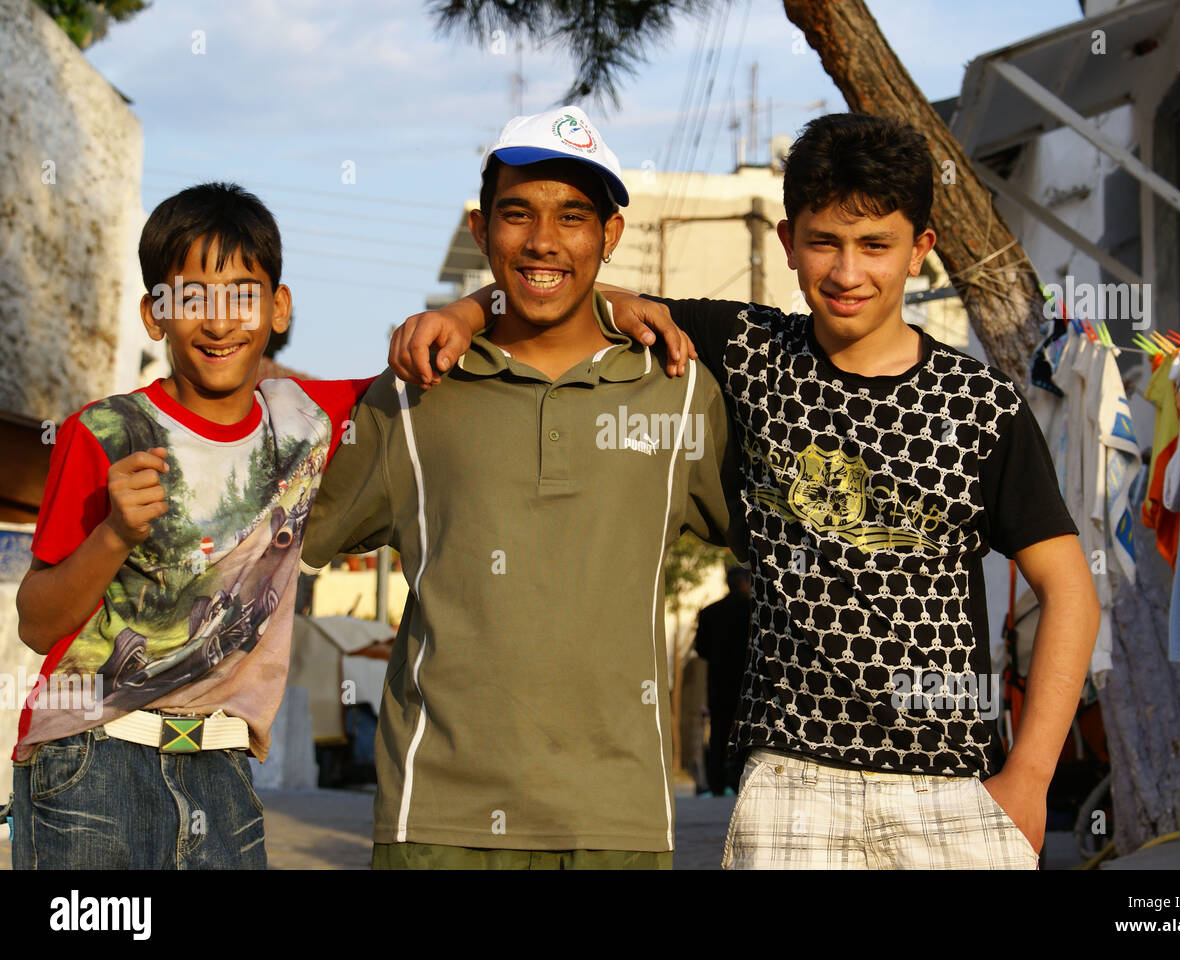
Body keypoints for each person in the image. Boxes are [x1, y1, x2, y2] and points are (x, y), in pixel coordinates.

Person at [389, 112, 1100, 870]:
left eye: (876, 246)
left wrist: (1028, 779)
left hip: (950, 787)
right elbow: (565, 294)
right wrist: (466, 311)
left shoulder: (981, 404)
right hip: (791, 783)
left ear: (921, 250)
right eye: (824, 242)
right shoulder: (748, 350)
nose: (848, 271)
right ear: (789, 243)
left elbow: (1070, 594)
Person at [300, 106, 738, 870]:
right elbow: (286, 544)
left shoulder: (678, 391)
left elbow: (794, 536)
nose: (543, 240)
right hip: (435, 816)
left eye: (573, 216)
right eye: (517, 214)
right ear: (480, 229)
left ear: (611, 236)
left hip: (620, 822)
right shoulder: (409, 394)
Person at [11, 183, 373, 869]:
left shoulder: (307, 419)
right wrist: (114, 533)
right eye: (190, 297)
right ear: (156, 315)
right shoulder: (106, 432)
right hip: (93, 764)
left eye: (242, 293)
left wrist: (608, 304)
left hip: (224, 769)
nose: (218, 321)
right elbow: (37, 623)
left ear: (278, 307)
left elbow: (435, 366)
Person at [693, 565, 752, 797]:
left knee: (718, 734)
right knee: (744, 732)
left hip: (718, 682)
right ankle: (738, 779)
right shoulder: (752, 610)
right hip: (745, 683)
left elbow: (701, 649)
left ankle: (716, 782)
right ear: (744, 583)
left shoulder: (710, 612)